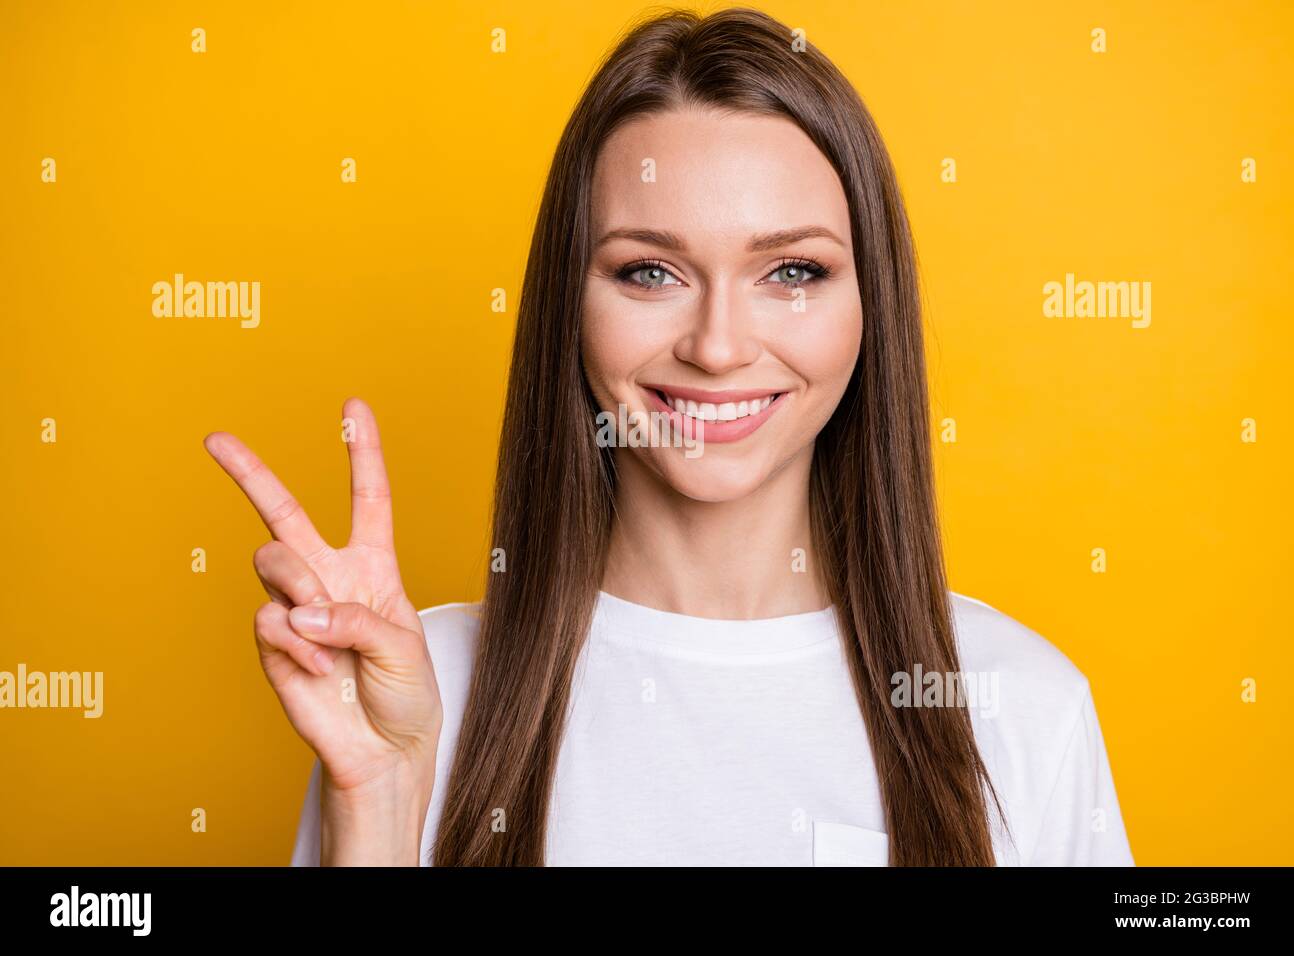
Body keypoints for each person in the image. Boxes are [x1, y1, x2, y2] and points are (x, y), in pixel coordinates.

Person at [204, 7, 1133, 866]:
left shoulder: (1024, 707)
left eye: (793, 271)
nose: (718, 346)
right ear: (568, 302)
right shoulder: (415, 691)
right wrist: (379, 799)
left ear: (871, 303)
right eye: (650, 271)